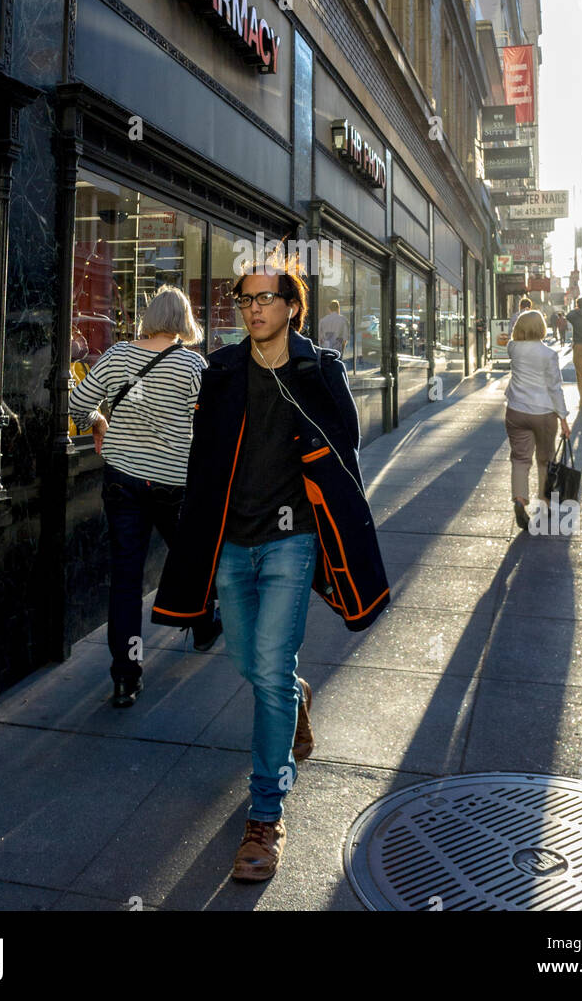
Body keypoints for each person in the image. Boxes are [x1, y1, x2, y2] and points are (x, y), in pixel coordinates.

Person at [152, 256, 389, 882]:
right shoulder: (221, 371)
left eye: (267, 297)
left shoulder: (319, 370)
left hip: (292, 541)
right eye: (245, 298)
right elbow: (203, 458)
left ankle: (264, 813)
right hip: (230, 542)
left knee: (270, 666)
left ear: (292, 306)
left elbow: (345, 458)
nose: (254, 307)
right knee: (253, 666)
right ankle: (295, 697)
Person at [68, 285, 221, 709]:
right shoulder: (193, 365)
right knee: (190, 559)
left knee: (126, 579)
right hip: (173, 482)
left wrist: (98, 421)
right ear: (185, 321)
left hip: (122, 481)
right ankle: (206, 623)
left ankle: (125, 678)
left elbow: (78, 401)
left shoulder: (117, 356)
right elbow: (208, 425)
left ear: (149, 316)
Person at [505, 310, 571, 530]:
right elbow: (555, 387)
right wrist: (563, 417)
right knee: (545, 458)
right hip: (543, 412)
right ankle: (544, 502)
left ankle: (519, 500)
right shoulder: (548, 354)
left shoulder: (513, 349)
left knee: (520, 459)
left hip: (516, 411)